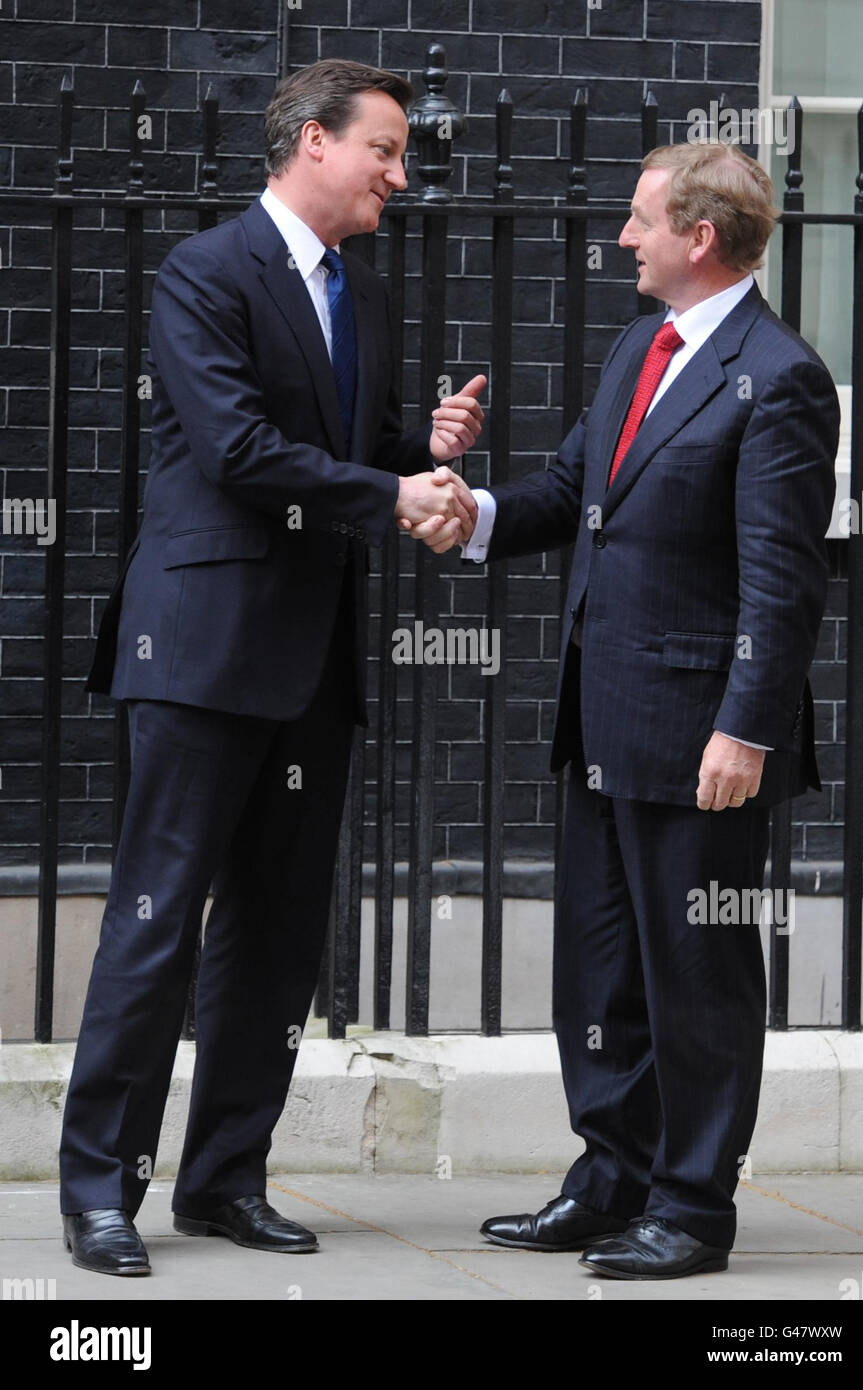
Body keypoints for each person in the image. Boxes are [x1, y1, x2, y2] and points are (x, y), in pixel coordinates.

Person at [59, 58, 484, 1277]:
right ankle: (102, 1191)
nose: (401, 176)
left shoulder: (364, 292)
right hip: (200, 650)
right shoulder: (205, 271)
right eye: (385, 150)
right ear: (310, 141)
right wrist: (394, 487)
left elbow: (356, 453)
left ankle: (224, 1182)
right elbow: (242, 450)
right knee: (154, 924)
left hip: (309, 657)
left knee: (278, 935)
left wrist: (425, 446)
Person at [406, 142, 839, 1279]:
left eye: (641, 219)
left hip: (702, 736)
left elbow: (782, 577)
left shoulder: (778, 374)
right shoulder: (638, 348)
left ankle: (691, 1206)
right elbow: (573, 492)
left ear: (700, 237)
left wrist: (745, 727)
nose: (621, 237)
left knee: (694, 974)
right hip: (602, 719)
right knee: (598, 971)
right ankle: (610, 1179)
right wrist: (477, 511)